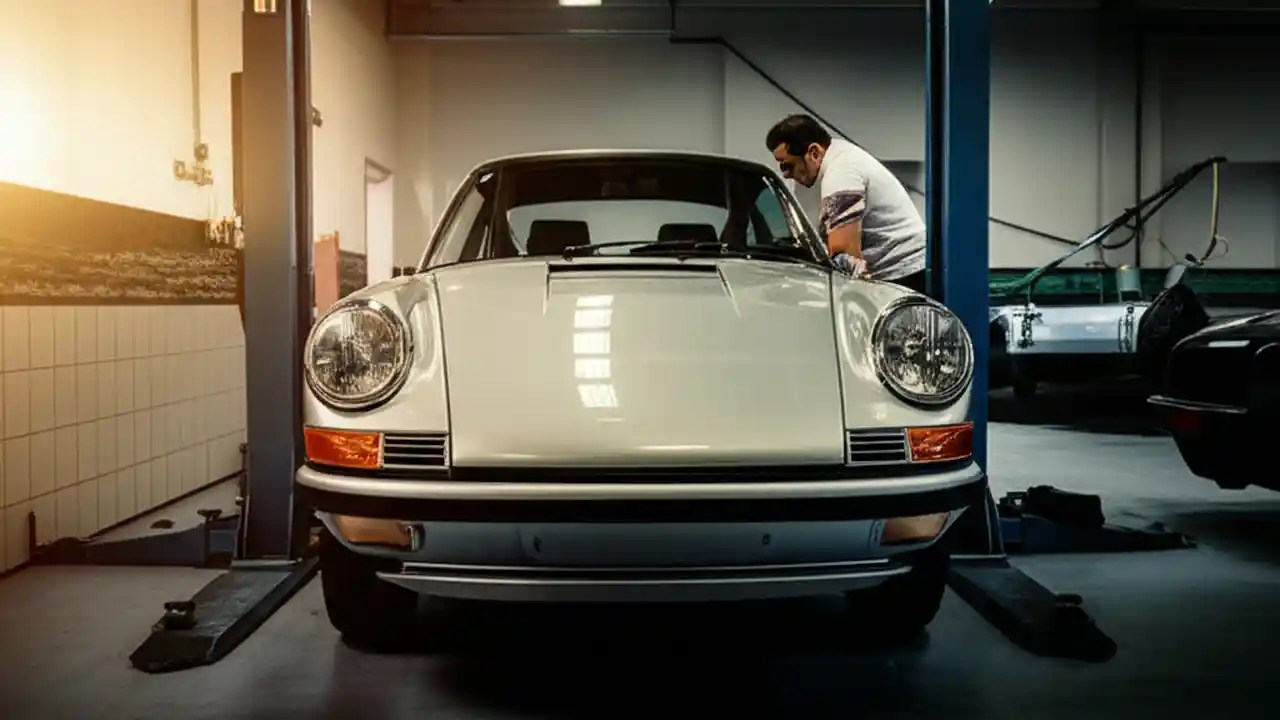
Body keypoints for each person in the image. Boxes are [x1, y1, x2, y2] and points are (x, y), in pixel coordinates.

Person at [765, 113, 928, 293]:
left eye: (788, 166)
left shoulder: (842, 172)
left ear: (814, 152)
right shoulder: (813, 172)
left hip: (907, 273)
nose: (785, 174)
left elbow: (845, 260)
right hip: (888, 273)